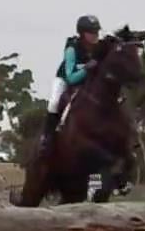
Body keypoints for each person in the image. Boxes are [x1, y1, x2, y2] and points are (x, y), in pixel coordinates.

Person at [39, 15, 103, 154]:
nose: (95, 35)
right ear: (82, 33)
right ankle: (47, 137)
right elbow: (71, 78)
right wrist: (87, 69)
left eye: (97, 32)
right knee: (54, 103)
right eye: (91, 32)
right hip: (65, 79)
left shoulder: (99, 47)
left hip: (88, 81)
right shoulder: (72, 49)